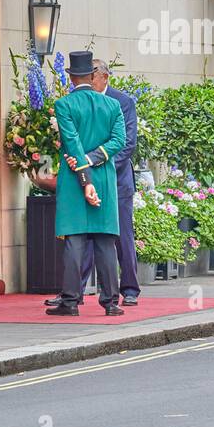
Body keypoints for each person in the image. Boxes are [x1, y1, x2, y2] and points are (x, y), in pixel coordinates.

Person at [45, 50, 127, 318]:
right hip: (104, 176)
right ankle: (111, 303)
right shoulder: (112, 106)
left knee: (75, 240)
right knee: (105, 241)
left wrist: (83, 175)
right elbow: (118, 141)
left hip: (73, 177)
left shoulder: (65, 105)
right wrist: (95, 161)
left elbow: (72, 143)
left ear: (71, 78)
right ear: (93, 77)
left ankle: (70, 302)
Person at [82, 59, 141, 305]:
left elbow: (127, 144)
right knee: (82, 235)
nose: (88, 81)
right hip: (88, 178)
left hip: (116, 179)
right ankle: (74, 291)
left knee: (122, 237)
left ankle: (129, 289)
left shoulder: (123, 102)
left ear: (104, 77)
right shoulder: (82, 100)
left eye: (92, 76)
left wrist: (99, 169)